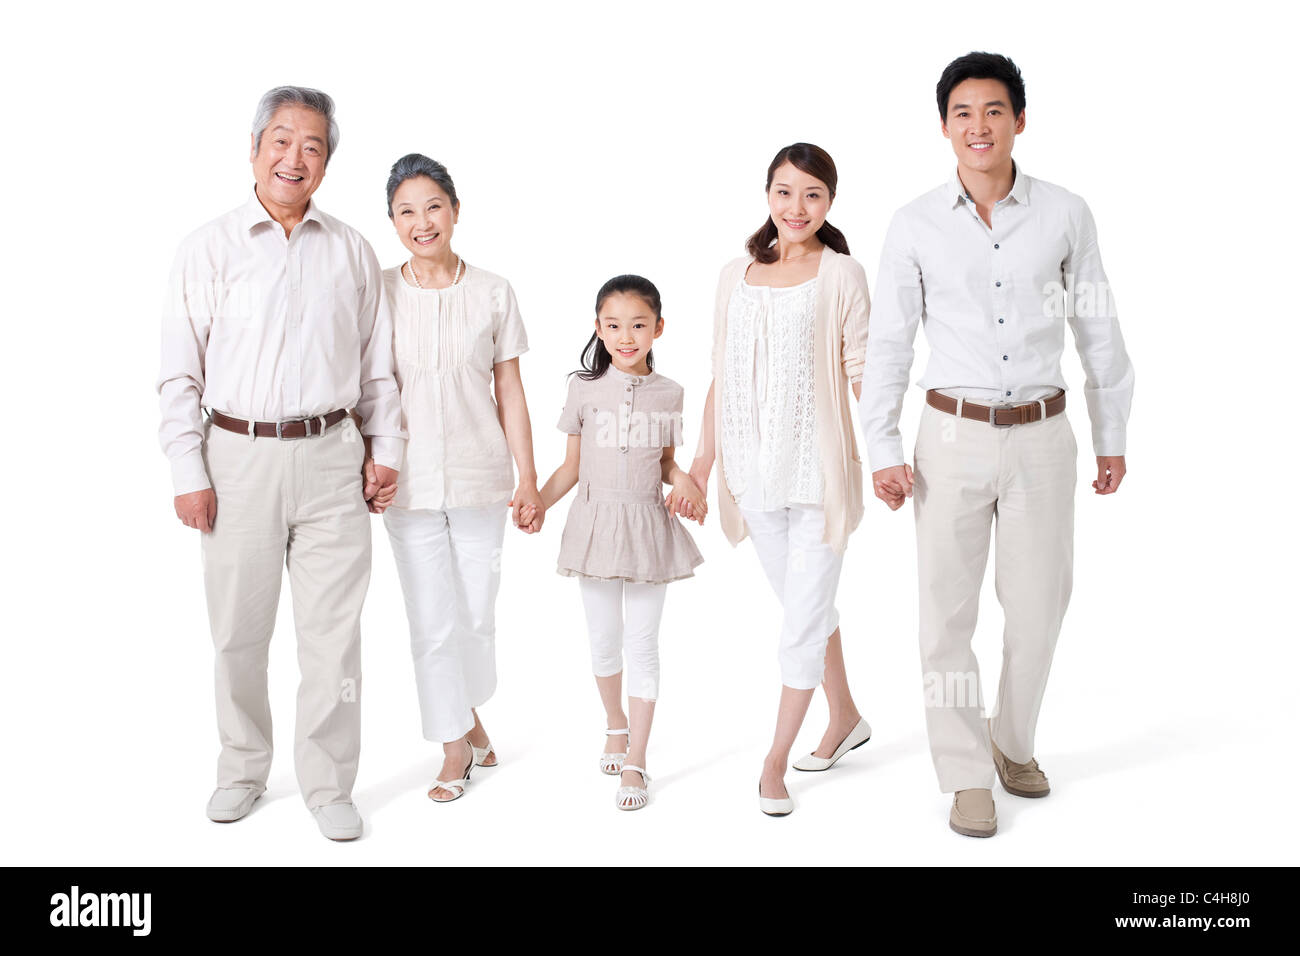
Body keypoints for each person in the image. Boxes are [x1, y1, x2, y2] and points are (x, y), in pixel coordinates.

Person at [859, 52, 1135, 837]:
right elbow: (889, 344)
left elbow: (1097, 320)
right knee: (944, 619)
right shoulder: (913, 223)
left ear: (1020, 118)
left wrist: (1110, 429)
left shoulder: (1065, 213)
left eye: (994, 110)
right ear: (944, 125)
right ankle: (963, 772)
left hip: (1045, 438)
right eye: (963, 113)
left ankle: (1011, 742)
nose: (979, 126)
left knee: (1040, 609)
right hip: (949, 437)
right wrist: (881, 445)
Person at [157, 86, 405, 842]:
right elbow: (178, 371)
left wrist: (385, 450)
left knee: (334, 636)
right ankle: (241, 768)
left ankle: (329, 782)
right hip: (235, 459)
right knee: (238, 630)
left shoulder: (353, 250)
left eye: (313, 146)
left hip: (334, 457)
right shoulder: (208, 247)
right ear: (256, 148)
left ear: (327, 164)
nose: (295, 158)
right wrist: (187, 470)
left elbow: (377, 368)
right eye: (283, 141)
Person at [684, 144, 873, 817]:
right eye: (785, 192)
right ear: (767, 195)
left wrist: (886, 456)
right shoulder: (733, 276)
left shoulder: (843, 275)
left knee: (800, 620)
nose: (798, 208)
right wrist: (701, 469)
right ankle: (845, 714)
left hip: (818, 478)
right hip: (750, 478)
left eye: (813, 194)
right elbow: (720, 374)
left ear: (830, 203)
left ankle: (772, 763)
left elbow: (862, 374)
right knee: (805, 606)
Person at [375, 153, 544, 803]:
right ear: (392, 222)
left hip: (481, 477)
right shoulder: (381, 294)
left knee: (474, 615)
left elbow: (510, 391)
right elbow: (371, 389)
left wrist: (527, 479)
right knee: (430, 621)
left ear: (455, 209)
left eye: (433, 207)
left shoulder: (493, 291)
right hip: (407, 484)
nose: (422, 222)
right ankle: (452, 745)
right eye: (406, 212)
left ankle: (470, 714)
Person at [531, 275, 704, 810]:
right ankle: (614, 724)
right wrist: (537, 500)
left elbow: (669, 463)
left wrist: (688, 484)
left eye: (638, 324)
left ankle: (639, 759)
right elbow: (571, 467)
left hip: (649, 527)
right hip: (595, 527)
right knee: (604, 638)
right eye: (613, 325)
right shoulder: (583, 388)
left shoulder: (670, 392)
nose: (626, 336)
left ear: (658, 328)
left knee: (643, 644)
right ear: (598, 328)